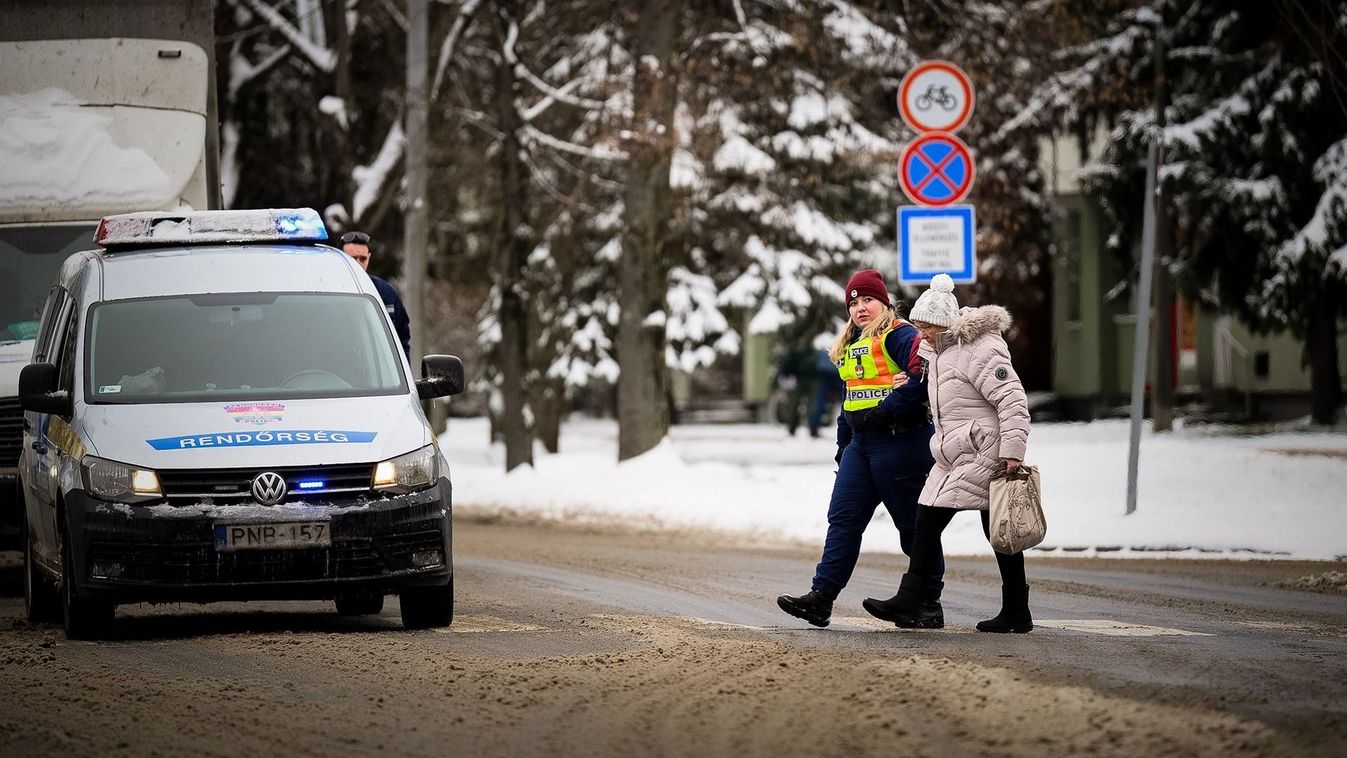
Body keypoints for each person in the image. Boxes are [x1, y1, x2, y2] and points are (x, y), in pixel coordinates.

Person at [861, 273, 1034, 633]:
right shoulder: (937, 352)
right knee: (996, 530)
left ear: (943, 324)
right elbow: (946, 396)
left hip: (984, 449)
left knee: (931, 518)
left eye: (925, 327)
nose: (919, 334)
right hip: (953, 450)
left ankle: (912, 596)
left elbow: (1013, 400)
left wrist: (1013, 452)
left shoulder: (981, 349)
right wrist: (910, 385)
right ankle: (1017, 610)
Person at [777, 269, 943, 628]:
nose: (860, 308)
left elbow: (923, 377)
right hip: (861, 444)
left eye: (868, 300)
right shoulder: (851, 343)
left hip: (901, 441)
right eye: (853, 302)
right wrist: (843, 442)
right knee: (843, 519)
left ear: (884, 302)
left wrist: (886, 411)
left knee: (912, 528)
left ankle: (926, 602)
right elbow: (851, 397)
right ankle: (821, 597)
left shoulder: (901, 335)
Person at [340, 230, 411, 359]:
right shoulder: (329, 292)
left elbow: (402, 342)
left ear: (369, 257)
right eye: (352, 259)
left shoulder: (386, 293)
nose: (358, 263)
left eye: (363, 258)